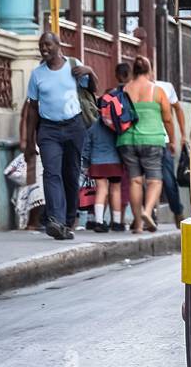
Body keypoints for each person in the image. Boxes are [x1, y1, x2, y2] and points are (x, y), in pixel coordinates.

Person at [24, 32, 95, 240]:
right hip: (49, 130)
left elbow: (93, 90)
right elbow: (32, 108)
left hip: (74, 126)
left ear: (58, 45)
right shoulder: (37, 75)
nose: (44, 49)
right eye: (41, 46)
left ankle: (68, 220)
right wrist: (29, 140)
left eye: (47, 45)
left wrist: (90, 71)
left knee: (71, 174)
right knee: (51, 173)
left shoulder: (73, 65)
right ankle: (55, 219)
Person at [116, 56, 175, 233]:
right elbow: (167, 119)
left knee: (135, 181)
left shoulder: (124, 90)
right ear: (149, 70)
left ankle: (138, 225)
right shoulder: (157, 91)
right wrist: (172, 141)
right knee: (155, 181)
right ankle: (148, 211)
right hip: (152, 140)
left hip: (127, 140)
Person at [82, 62, 131, 233]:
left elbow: (87, 147)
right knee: (115, 190)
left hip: (97, 163)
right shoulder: (117, 128)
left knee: (101, 190)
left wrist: (86, 163)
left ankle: (99, 221)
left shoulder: (93, 127)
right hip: (115, 162)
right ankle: (117, 222)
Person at [154, 75, 190, 227]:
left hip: (163, 140)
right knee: (146, 181)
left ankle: (177, 211)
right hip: (142, 140)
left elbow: (177, 109)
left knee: (168, 180)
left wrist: (181, 135)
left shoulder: (165, 87)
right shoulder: (134, 87)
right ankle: (150, 214)